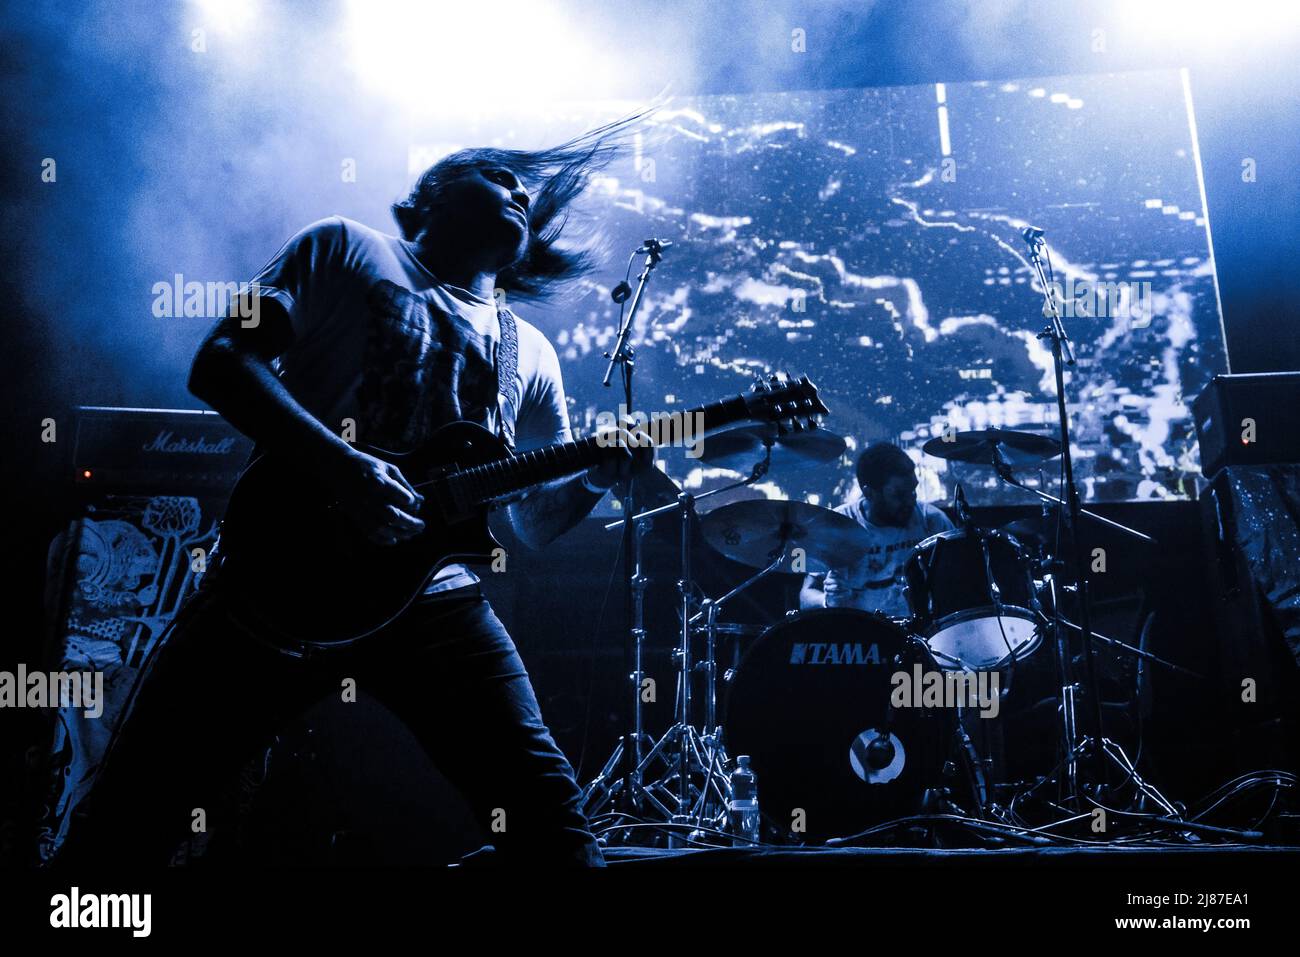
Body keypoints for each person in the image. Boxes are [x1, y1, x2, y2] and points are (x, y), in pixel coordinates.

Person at [61, 115, 654, 868]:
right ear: (434, 192)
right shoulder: (342, 246)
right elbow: (219, 361)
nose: (515, 192)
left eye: (525, 195)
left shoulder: (528, 353)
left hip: (435, 603)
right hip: (277, 586)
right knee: (123, 830)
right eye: (496, 176)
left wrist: (599, 477)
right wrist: (344, 466)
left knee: (555, 833)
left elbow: (532, 526)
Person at [800, 442, 954, 619]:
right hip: (860, 632)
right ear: (869, 493)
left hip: (919, 631)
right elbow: (805, 596)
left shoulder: (932, 521)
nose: (911, 501)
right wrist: (826, 601)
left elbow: (961, 581)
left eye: (913, 491)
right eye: (899, 495)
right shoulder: (837, 526)